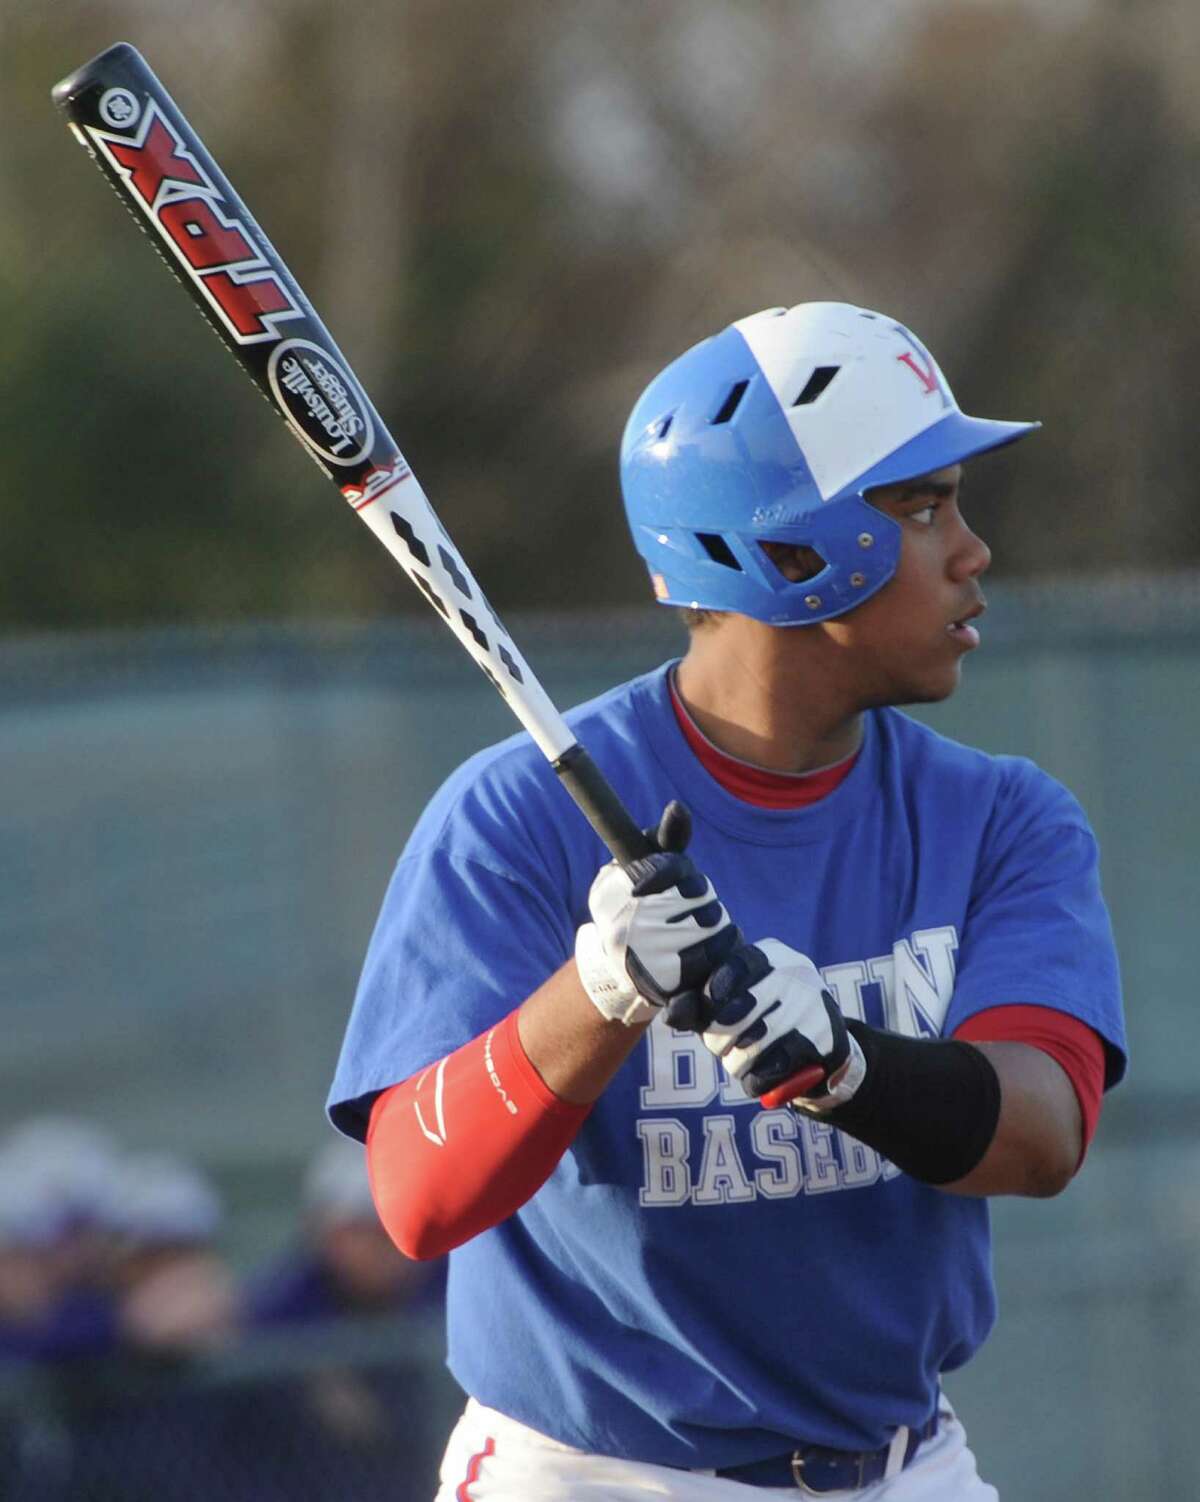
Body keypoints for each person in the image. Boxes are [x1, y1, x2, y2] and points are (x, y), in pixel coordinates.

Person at [327, 301, 1127, 1500]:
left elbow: (1043, 1130)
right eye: (920, 506)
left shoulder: (1004, 816)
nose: (973, 549)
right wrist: (603, 993)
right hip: (595, 1471)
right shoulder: (509, 817)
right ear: (794, 551)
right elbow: (418, 1198)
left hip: (907, 1463)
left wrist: (846, 1064)